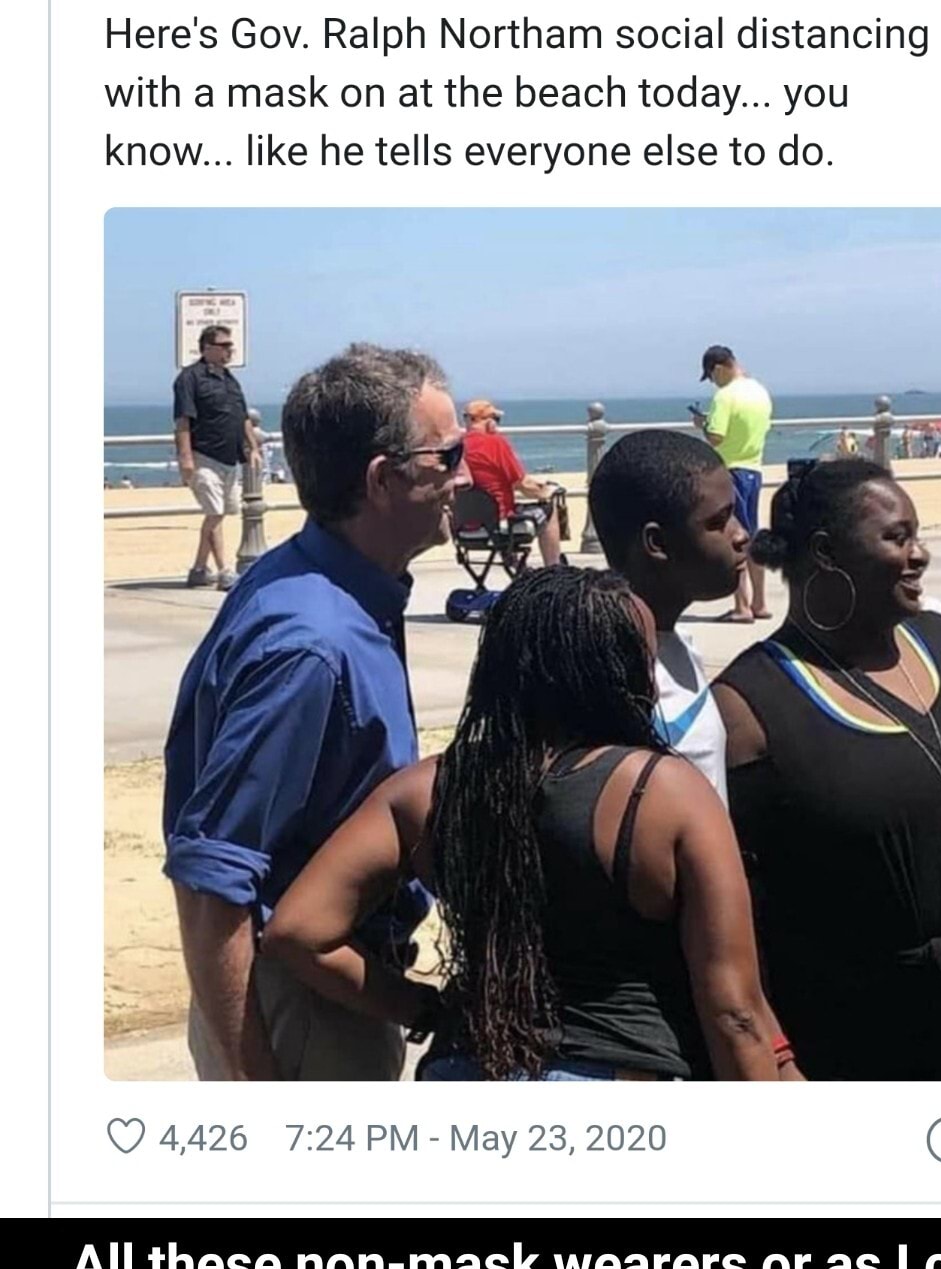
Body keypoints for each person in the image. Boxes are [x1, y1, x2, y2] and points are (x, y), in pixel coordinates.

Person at [265, 566, 786, 1083]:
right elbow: (736, 1013)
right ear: (619, 669)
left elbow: (298, 931)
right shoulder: (666, 792)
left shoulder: (426, 789)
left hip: (463, 1070)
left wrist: (424, 1009)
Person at [163, 344, 469, 1080]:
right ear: (381, 479)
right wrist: (255, 1081)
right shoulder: (311, 645)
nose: (463, 473)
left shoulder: (329, 582)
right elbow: (212, 879)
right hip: (300, 1017)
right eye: (447, 455)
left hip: (326, 991)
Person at [712, 457, 941, 1081]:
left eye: (917, 535)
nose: (920, 555)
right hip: (854, 1039)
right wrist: (775, 1059)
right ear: (827, 552)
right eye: (897, 537)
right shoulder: (749, 706)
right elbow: (729, 911)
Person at [587, 429, 749, 802]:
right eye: (718, 522)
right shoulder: (613, 676)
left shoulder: (677, 646)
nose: (741, 535)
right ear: (656, 543)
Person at [173, 325, 261, 591]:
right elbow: (183, 420)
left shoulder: (230, 380)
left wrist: (253, 447)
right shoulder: (189, 379)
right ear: (207, 347)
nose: (229, 351)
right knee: (215, 512)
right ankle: (224, 570)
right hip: (204, 456)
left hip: (229, 458)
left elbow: (242, 416)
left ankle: (199, 569)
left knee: (222, 513)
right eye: (224, 346)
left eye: (230, 346)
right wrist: (186, 458)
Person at [692, 346, 773, 623]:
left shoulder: (724, 396)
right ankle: (760, 602)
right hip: (754, 468)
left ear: (718, 368)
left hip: (730, 471)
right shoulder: (760, 391)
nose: (713, 382)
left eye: (711, 376)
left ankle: (742, 606)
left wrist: (701, 424)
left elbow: (716, 436)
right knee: (752, 534)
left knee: (734, 539)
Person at [461, 400, 564, 566]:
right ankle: (554, 568)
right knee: (549, 510)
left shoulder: (457, 446)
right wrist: (547, 490)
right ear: (489, 421)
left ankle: (514, 563)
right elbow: (523, 485)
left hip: (465, 526)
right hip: (498, 525)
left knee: (498, 508)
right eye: (497, 420)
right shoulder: (495, 443)